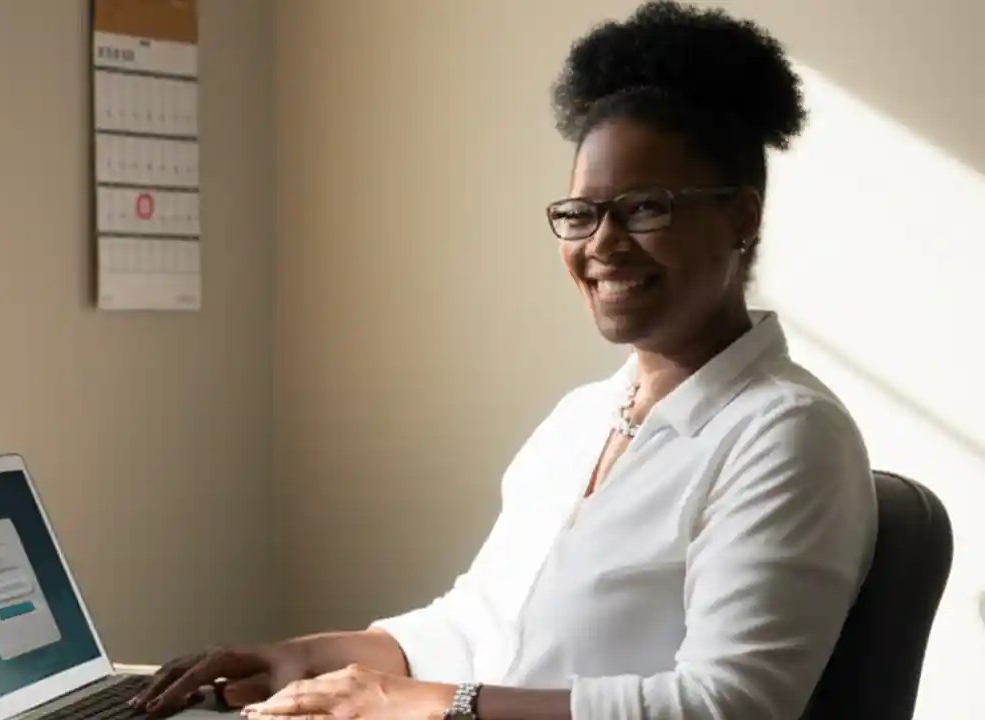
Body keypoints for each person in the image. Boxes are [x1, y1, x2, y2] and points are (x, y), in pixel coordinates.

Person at [131, 2, 877, 719]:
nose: (602, 244)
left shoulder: (788, 435)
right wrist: (301, 658)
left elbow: (727, 706)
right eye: (582, 213)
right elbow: (478, 625)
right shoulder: (582, 419)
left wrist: (435, 705)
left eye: (646, 207)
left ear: (741, 219)